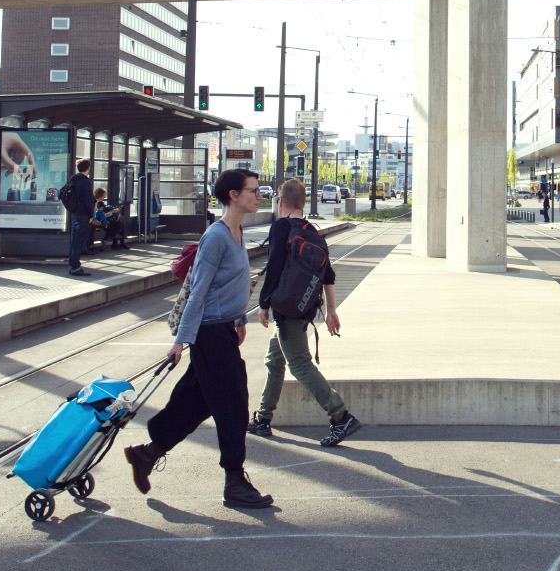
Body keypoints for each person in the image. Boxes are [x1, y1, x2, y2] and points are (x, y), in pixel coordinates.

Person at [125, 168, 273, 509]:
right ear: (233, 195)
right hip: (209, 334)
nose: (257, 196)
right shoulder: (217, 236)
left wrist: (238, 318)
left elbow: (227, 287)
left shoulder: (238, 233)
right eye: (252, 190)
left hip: (223, 329)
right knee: (234, 406)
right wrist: (181, 340)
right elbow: (198, 291)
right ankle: (234, 481)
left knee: (196, 402)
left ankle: (147, 454)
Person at [247, 179, 362, 447]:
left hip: (287, 308)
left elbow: (274, 268)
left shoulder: (281, 227)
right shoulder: (312, 231)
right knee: (275, 360)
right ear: (302, 202)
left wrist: (263, 304)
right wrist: (331, 309)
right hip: (304, 307)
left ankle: (340, 416)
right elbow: (328, 274)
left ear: (280, 201)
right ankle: (263, 419)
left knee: (299, 364)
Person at [61, 159, 96, 276]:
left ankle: (73, 264)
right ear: (88, 168)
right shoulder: (85, 182)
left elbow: (62, 193)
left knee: (74, 241)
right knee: (79, 241)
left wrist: (71, 209)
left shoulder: (73, 179)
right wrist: (91, 216)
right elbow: (89, 201)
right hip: (83, 215)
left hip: (75, 213)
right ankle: (75, 267)